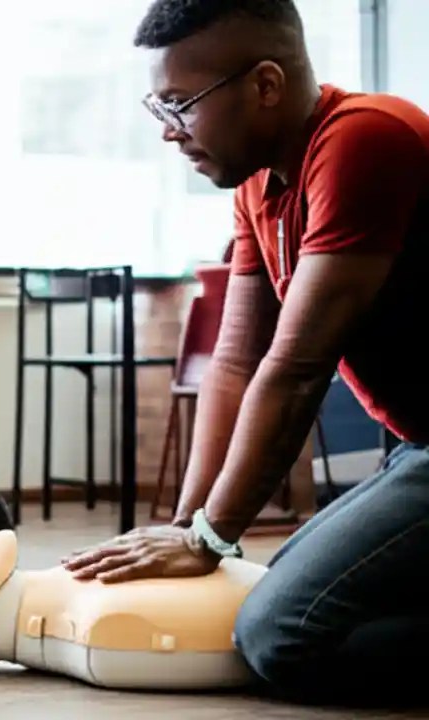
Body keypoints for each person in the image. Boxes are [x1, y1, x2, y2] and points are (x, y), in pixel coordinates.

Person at [60, 0, 429, 707]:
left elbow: (294, 372)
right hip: (415, 449)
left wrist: (212, 535)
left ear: (264, 85)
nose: (168, 132)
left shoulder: (365, 140)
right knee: (279, 600)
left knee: (281, 634)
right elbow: (235, 364)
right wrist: (186, 523)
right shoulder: (259, 183)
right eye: (156, 107)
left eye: (181, 105)